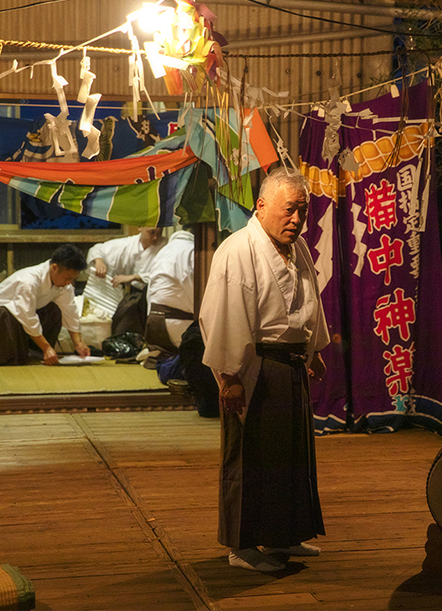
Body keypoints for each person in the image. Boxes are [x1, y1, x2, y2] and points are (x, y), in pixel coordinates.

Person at [199, 169, 330, 573]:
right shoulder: (238, 250)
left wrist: (312, 349)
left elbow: (308, 300)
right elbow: (223, 315)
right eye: (289, 210)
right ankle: (241, 545)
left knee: (289, 457)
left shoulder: (298, 247)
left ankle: (281, 535)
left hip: (291, 363)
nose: (297, 219)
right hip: (255, 368)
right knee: (250, 458)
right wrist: (229, 377)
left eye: (302, 211)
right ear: (261, 205)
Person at [0, 244, 90, 366]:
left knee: (54, 310)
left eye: (72, 279)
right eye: (67, 278)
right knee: (6, 315)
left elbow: (70, 312)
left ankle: (35, 353)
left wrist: (78, 343)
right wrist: (46, 347)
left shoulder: (64, 286)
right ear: (54, 267)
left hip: (24, 317)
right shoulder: (29, 281)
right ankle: (12, 356)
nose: (69, 283)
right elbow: (26, 316)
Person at [85, 227, 165, 336]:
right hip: (128, 293)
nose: (155, 237)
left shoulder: (166, 246)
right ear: (140, 227)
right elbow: (97, 249)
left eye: (159, 233)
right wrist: (99, 261)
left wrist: (133, 277)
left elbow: (162, 273)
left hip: (152, 293)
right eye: (152, 232)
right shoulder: (128, 244)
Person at [144, 227, 195, 355]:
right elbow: (191, 284)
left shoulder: (164, 250)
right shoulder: (190, 249)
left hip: (153, 319)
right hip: (176, 321)